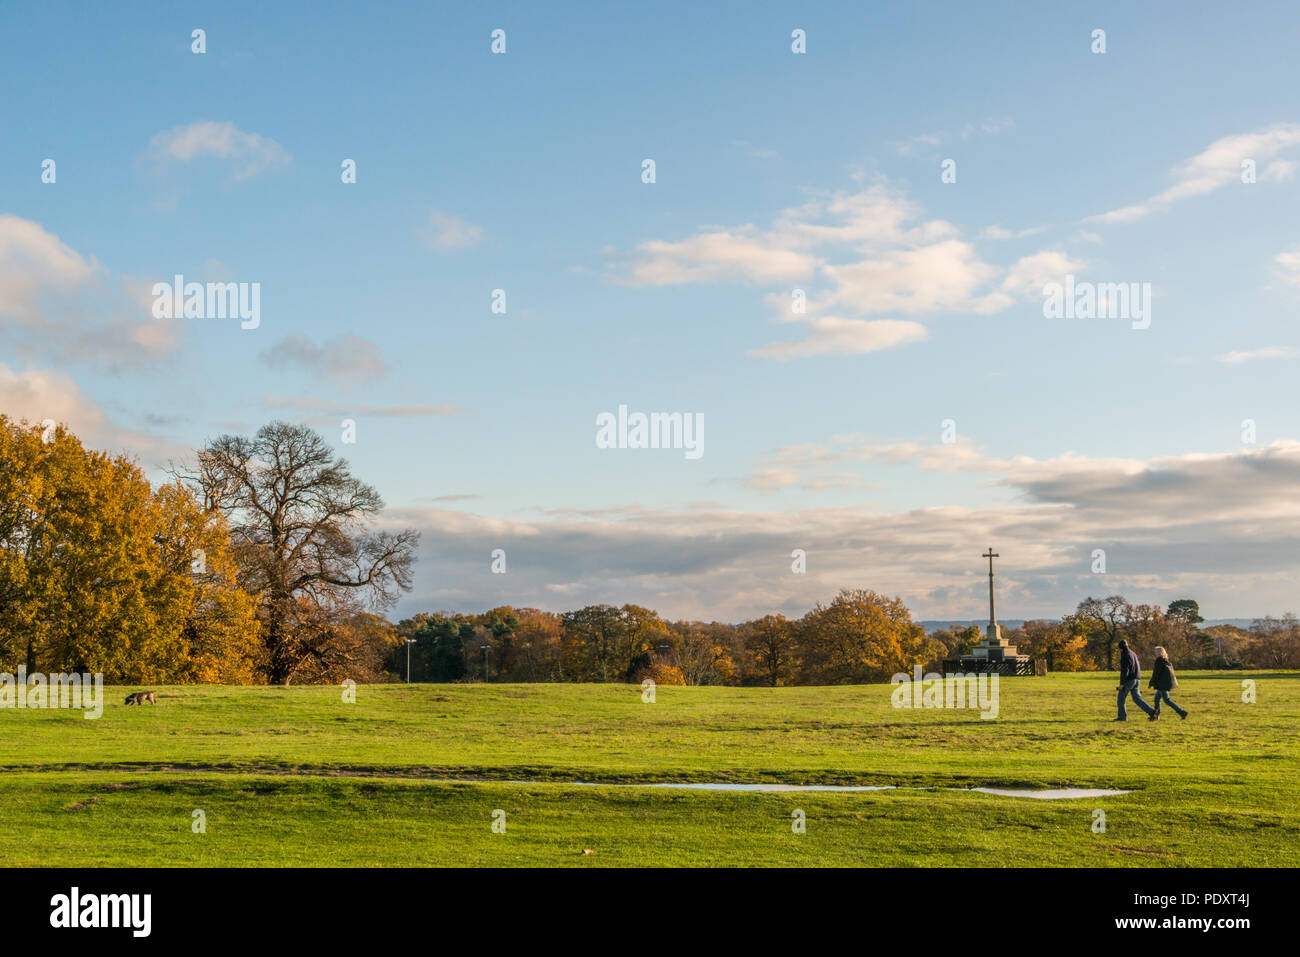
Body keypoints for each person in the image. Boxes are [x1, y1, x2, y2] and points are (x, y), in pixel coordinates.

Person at [1115, 638, 1155, 721]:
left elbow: (1125, 671)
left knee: (1121, 699)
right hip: (1137, 679)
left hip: (1129, 680)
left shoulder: (1125, 656)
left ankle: (1122, 717)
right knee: (1137, 699)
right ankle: (1151, 712)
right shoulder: (1133, 653)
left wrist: (1122, 684)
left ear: (1121, 648)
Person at [1148, 645, 1188, 720]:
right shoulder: (1166, 660)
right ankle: (1156, 716)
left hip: (1162, 685)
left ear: (1159, 653)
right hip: (1165, 683)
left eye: (1156, 652)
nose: (1155, 653)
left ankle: (1182, 712)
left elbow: (1156, 673)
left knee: (1167, 700)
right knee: (1157, 699)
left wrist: (1151, 683)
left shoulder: (1159, 661)